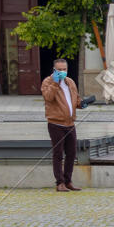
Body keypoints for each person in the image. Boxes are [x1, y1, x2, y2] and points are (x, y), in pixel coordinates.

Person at [41, 57, 82, 192]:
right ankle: (60, 183)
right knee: (58, 154)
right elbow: (48, 97)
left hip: (70, 123)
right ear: (54, 69)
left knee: (71, 153)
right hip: (55, 123)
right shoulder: (48, 81)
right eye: (59, 70)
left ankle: (68, 180)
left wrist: (81, 103)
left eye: (64, 69)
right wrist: (56, 82)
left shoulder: (70, 82)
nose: (62, 72)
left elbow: (75, 99)